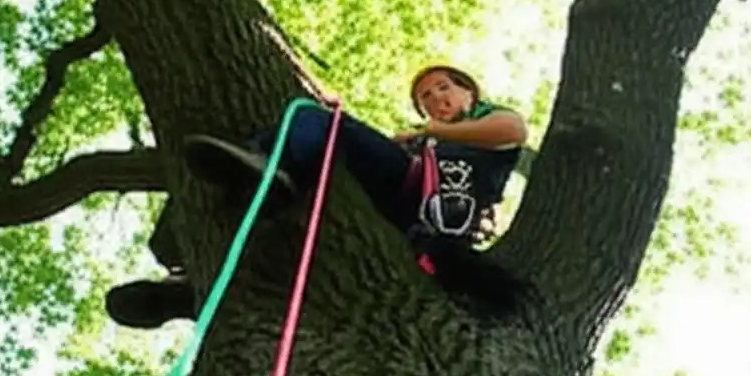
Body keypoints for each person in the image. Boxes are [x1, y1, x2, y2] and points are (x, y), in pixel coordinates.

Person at [105, 65, 529, 328]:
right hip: (398, 198)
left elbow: (512, 132)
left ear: (469, 93)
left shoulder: (483, 124)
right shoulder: (421, 143)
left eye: (443, 88)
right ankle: (193, 286)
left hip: (429, 219)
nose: (435, 99)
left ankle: (268, 165)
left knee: (315, 122)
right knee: (316, 131)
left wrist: (432, 131)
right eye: (425, 98)